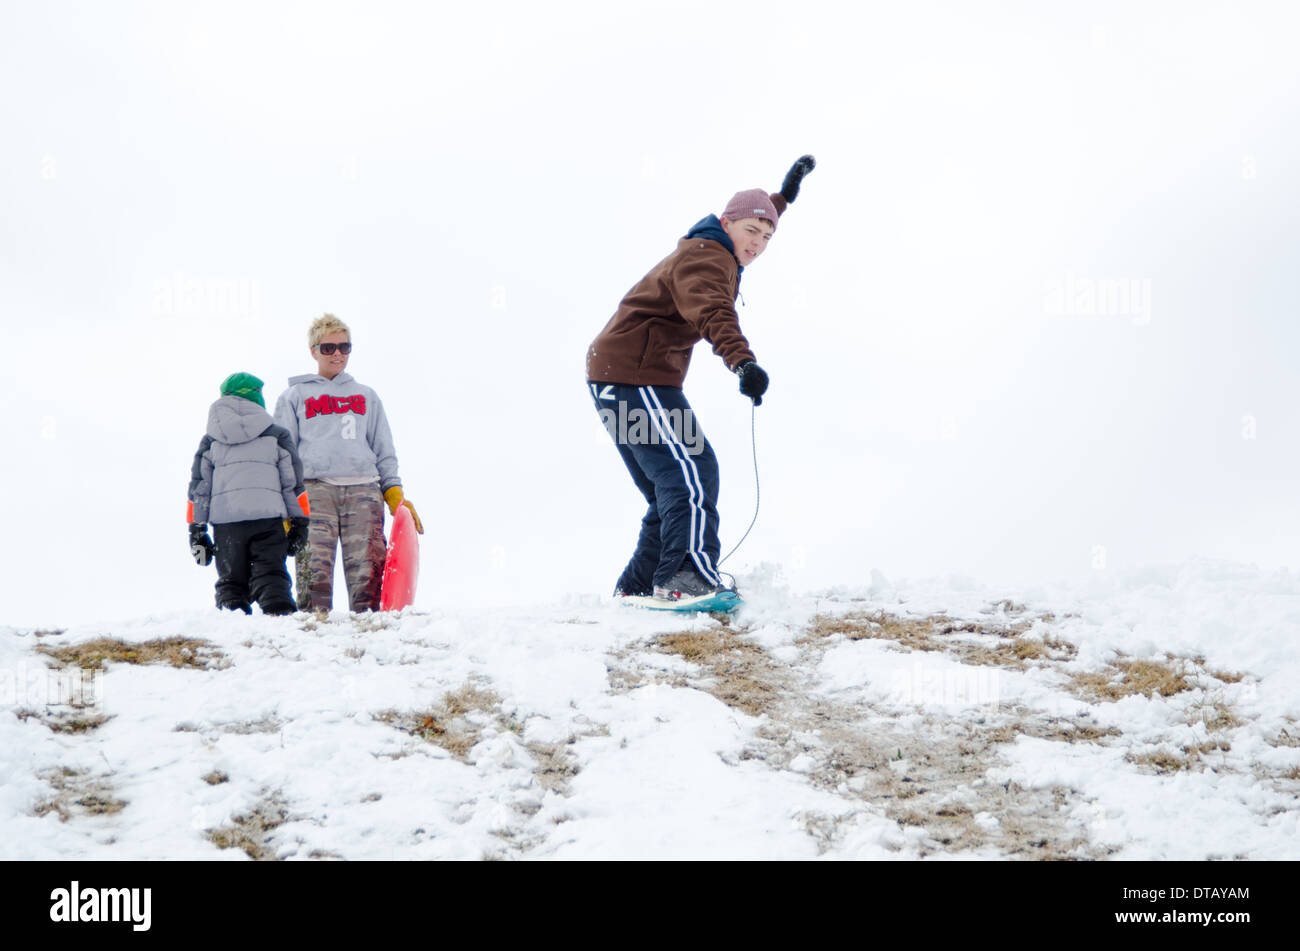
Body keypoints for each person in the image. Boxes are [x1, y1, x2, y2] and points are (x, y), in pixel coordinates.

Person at [586, 155, 815, 604]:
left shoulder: (715, 243)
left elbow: (761, 211)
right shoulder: (707, 258)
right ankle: (684, 577)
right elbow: (713, 311)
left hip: (625, 375)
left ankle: (637, 587)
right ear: (726, 223)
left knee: (673, 482)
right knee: (686, 471)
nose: (759, 244)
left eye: (768, 236)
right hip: (636, 375)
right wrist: (743, 363)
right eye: (751, 232)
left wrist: (783, 198)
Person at [273, 314, 423, 612]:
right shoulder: (293, 397)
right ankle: (314, 638)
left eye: (344, 347)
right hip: (314, 492)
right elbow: (283, 455)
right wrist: (285, 502)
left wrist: (393, 492)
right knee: (313, 573)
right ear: (313, 350)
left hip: (364, 491)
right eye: (328, 347)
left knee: (368, 575)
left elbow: (383, 448)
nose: (337, 354)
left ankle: (369, 640)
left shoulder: (366, 396)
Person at [187, 372, 310, 615]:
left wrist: (197, 532)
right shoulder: (276, 435)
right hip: (268, 521)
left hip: (226, 524)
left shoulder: (210, 440)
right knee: (271, 575)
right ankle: (280, 621)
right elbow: (292, 484)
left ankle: (235, 628)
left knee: (232, 581)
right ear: (258, 399)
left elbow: (199, 491)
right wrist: (300, 523)